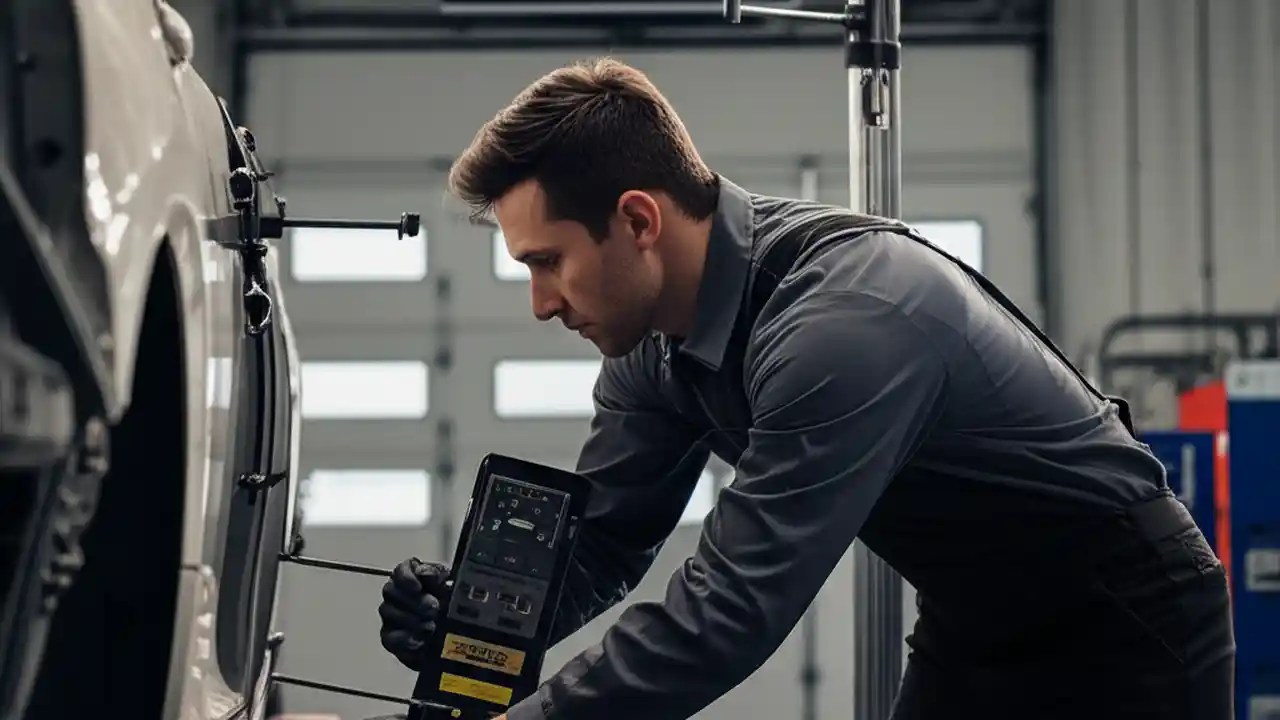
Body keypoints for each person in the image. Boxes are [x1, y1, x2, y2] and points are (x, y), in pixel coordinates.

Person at [377, 57, 1235, 719]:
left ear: (638, 221)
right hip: (975, 618)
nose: (541, 304)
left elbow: (730, 610)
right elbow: (603, 542)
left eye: (547, 262)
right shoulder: (652, 352)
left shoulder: (847, 320)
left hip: (1129, 618)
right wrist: (468, 626)